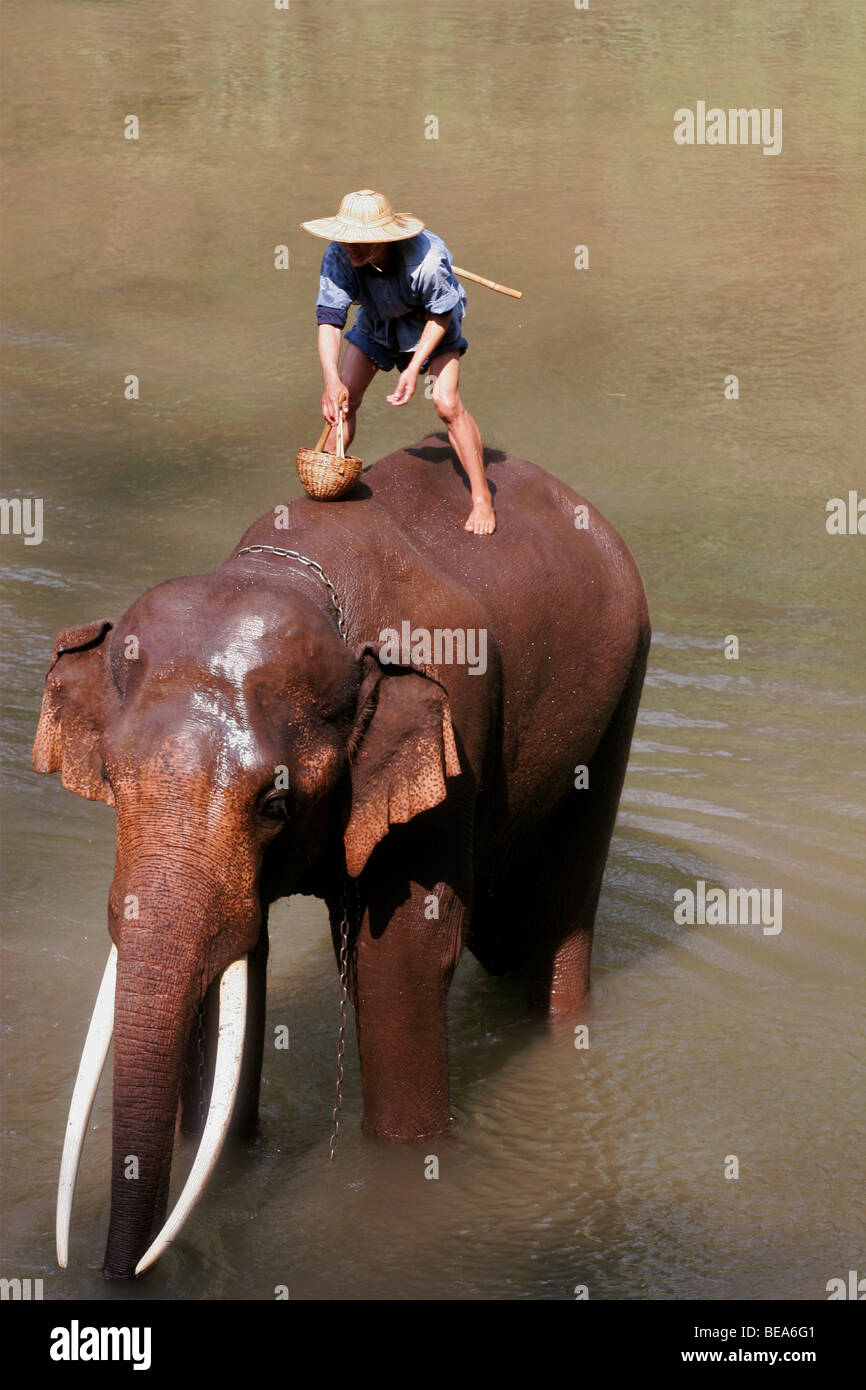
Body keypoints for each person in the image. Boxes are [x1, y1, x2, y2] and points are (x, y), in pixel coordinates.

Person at [300, 189, 495, 535]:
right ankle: (326, 483)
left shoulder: (428, 260)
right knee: (342, 404)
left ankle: (482, 498)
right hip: (376, 322)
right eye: (348, 241)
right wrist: (331, 380)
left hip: (429, 325)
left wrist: (412, 367)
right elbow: (330, 319)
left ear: (385, 240)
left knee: (446, 404)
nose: (352, 247)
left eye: (362, 242)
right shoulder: (339, 254)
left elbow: (442, 315)